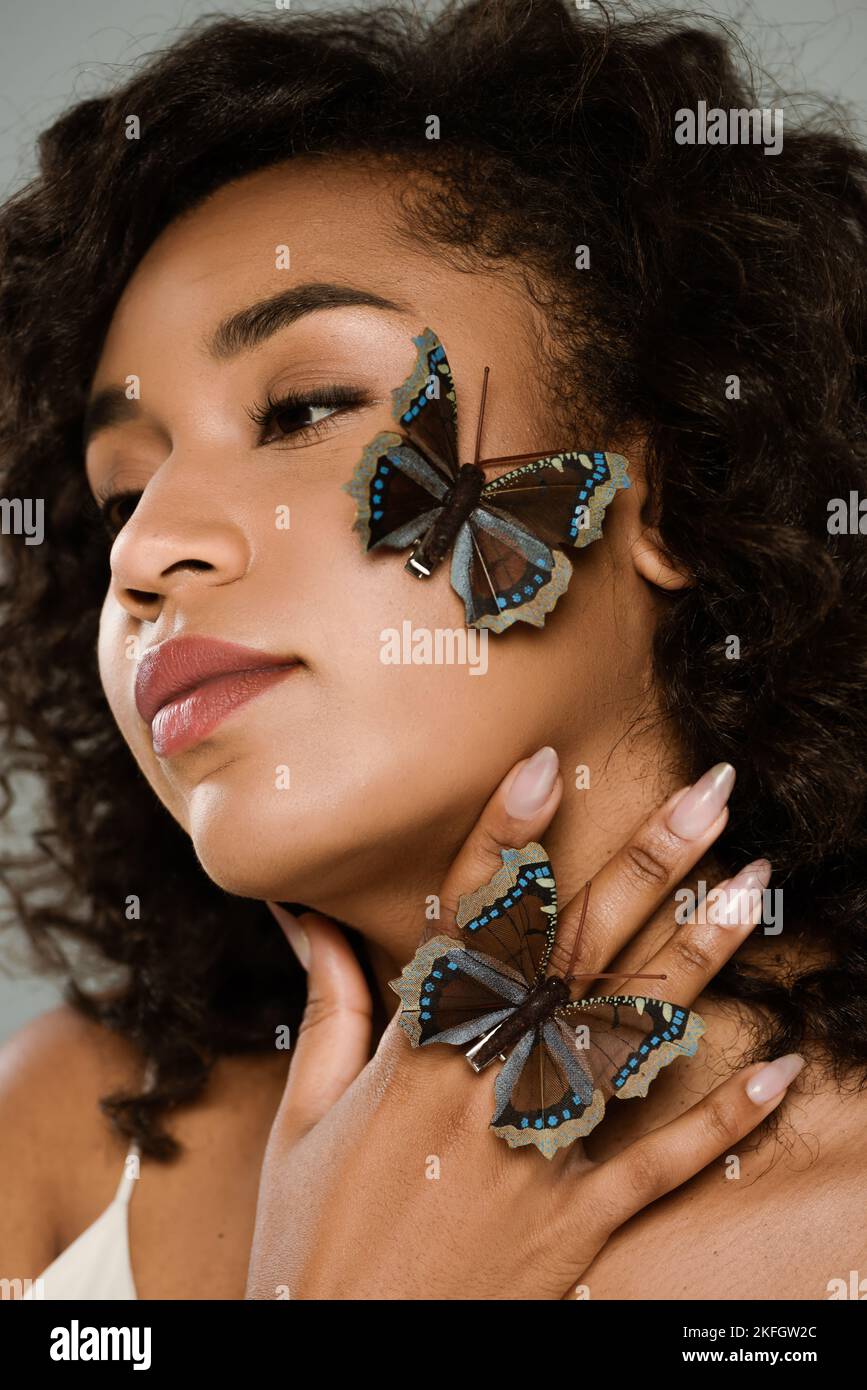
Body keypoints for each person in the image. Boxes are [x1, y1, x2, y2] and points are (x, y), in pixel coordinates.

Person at [0, 0, 864, 1300]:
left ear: (670, 499)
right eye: (122, 496)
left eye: (303, 407)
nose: (142, 553)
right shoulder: (76, 1135)